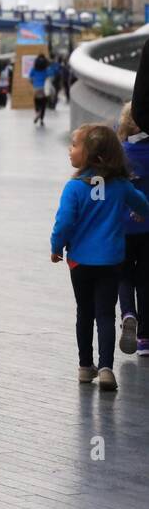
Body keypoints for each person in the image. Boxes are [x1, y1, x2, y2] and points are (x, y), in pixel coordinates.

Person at [50, 123, 149, 393]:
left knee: (85, 312)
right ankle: (106, 368)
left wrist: (56, 247)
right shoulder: (120, 185)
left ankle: (85, 366)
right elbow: (142, 203)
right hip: (111, 261)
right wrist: (140, 213)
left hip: (80, 261)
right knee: (105, 314)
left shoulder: (74, 187)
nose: (71, 151)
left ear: (90, 154)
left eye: (74, 146)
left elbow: (64, 222)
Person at [116, 103, 149, 357]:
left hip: (123, 227)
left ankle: (128, 313)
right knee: (145, 279)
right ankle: (145, 338)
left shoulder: (120, 154)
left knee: (124, 275)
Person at [31, 54, 55, 126]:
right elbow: (51, 78)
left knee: (36, 102)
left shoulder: (33, 69)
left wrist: (33, 83)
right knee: (43, 104)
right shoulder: (46, 69)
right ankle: (41, 119)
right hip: (44, 89)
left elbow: (30, 78)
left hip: (36, 88)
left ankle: (37, 112)